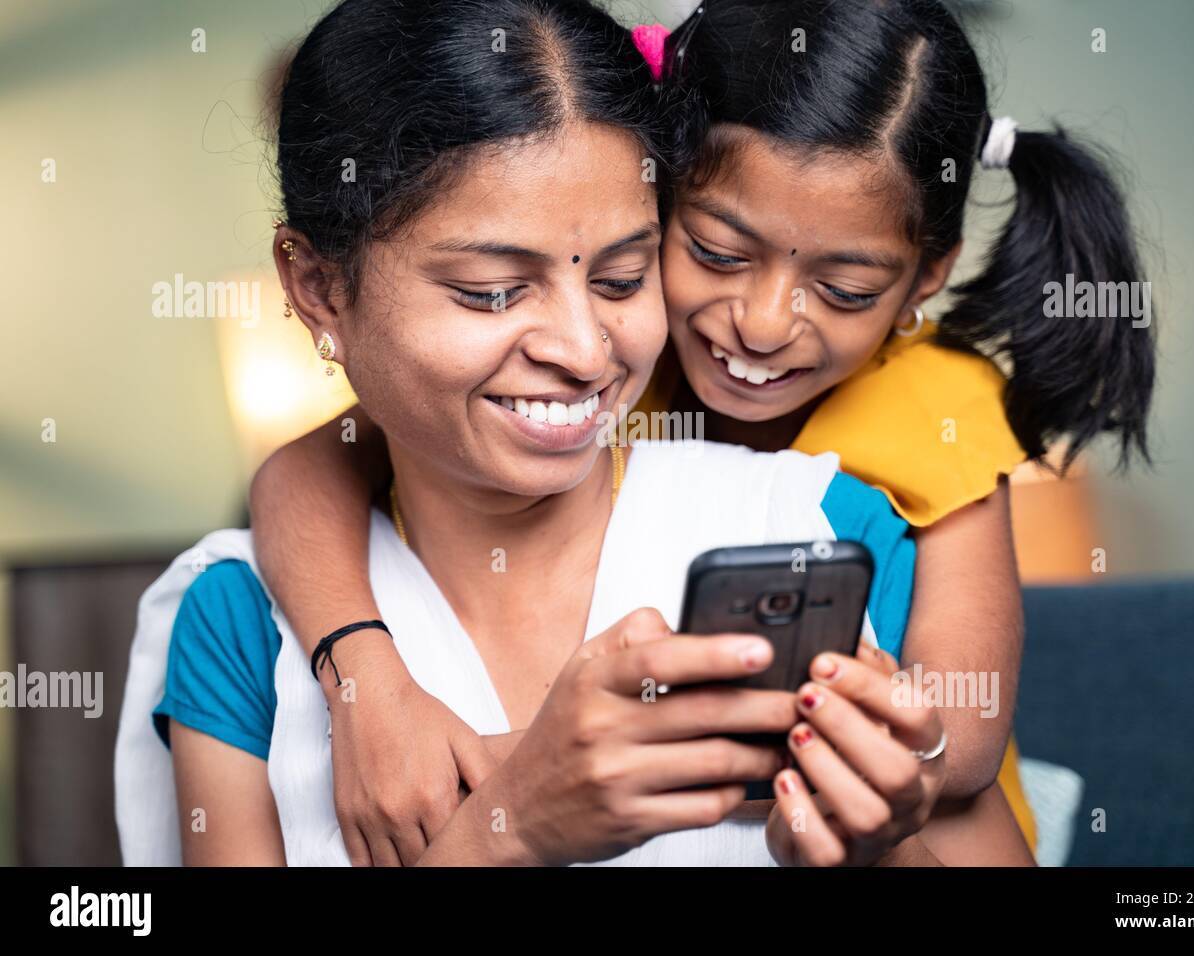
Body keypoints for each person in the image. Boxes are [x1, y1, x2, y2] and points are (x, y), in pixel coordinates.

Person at [114, 0, 1032, 867]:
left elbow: (955, 761)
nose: (585, 351)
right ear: (318, 289)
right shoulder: (241, 624)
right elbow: (311, 465)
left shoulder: (831, 527)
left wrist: (875, 846)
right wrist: (507, 818)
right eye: (490, 291)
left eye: (624, 279)